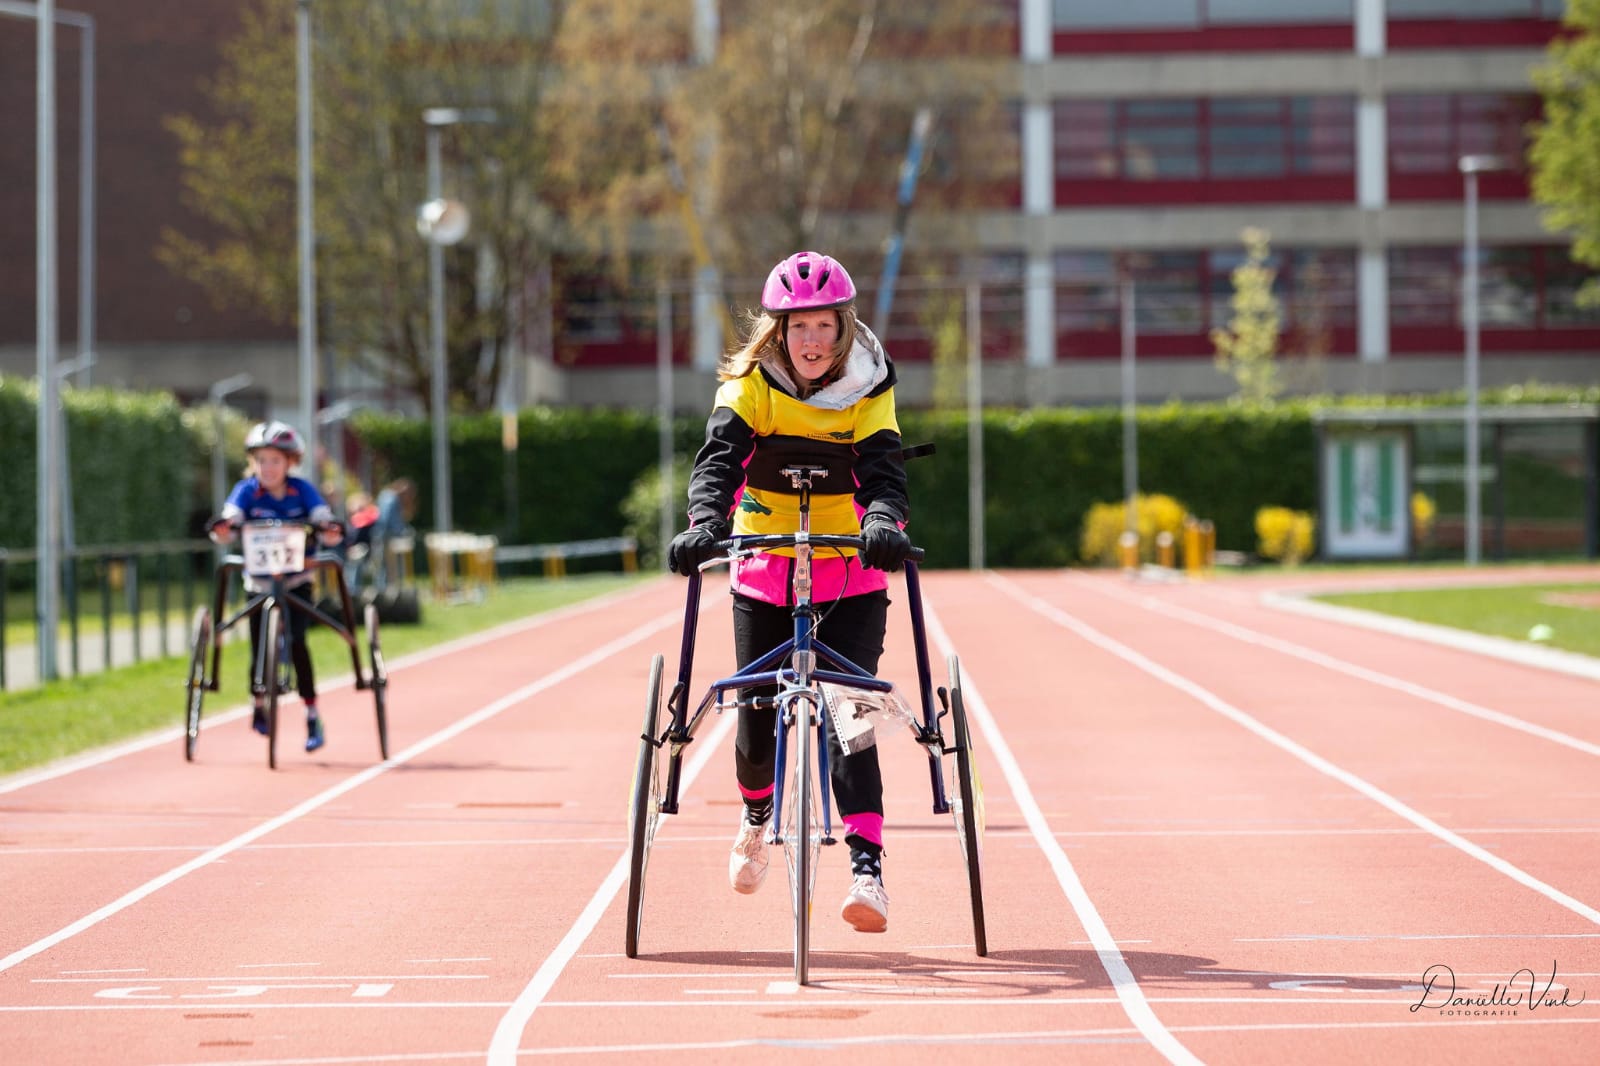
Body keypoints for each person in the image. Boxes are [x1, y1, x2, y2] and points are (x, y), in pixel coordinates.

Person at [667, 251, 912, 933]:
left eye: (824, 326)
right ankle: (755, 818)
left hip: (848, 567)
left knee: (848, 718)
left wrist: (884, 522)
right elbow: (719, 461)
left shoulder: (869, 382)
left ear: (843, 327)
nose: (811, 340)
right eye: (798, 326)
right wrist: (706, 523)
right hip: (765, 562)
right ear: (778, 330)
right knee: (753, 722)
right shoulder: (749, 383)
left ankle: (867, 870)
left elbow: (883, 472)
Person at [209, 421, 342, 752]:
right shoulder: (246, 491)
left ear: (290, 462)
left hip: (296, 580)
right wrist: (225, 528)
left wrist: (328, 529)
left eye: (275, 461)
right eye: (261, 461)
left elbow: (322, 518)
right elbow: (230, 518)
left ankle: (311, 713)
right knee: (258, 645)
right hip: (259, 581)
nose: (267, 468)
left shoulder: (303, 490)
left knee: (297, 642)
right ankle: (257, 702)